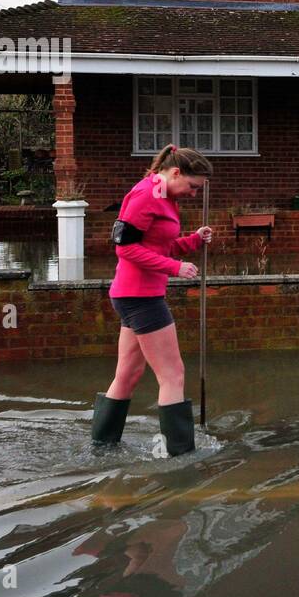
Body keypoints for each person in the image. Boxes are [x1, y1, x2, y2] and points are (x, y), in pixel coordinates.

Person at [92, 144, 213, 456]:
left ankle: (102, 446)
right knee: (173, 375)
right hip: (140, 297)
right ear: (175, 173)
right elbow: (125, 249)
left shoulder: (165, 196)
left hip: (134, 295)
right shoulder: (145, 195)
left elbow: (160, 245)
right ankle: (183, 455)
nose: (193, 194)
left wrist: (193, 241)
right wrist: (176, 268)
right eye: (192, 186)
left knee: (128, 374)